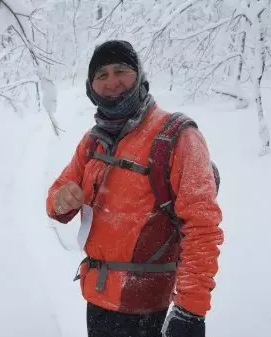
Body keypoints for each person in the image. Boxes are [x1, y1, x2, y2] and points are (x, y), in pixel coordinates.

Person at [46, 40, 224, 337]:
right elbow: (55, 198)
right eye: (101, 75)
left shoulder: (178, 136)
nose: (112, 82)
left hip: (149, 310)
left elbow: (203, 227)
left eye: (121, 71)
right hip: (98, 300)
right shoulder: (93, 141)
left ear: (139, 75)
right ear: (91, 86)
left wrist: (190, 310)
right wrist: (61, 200)